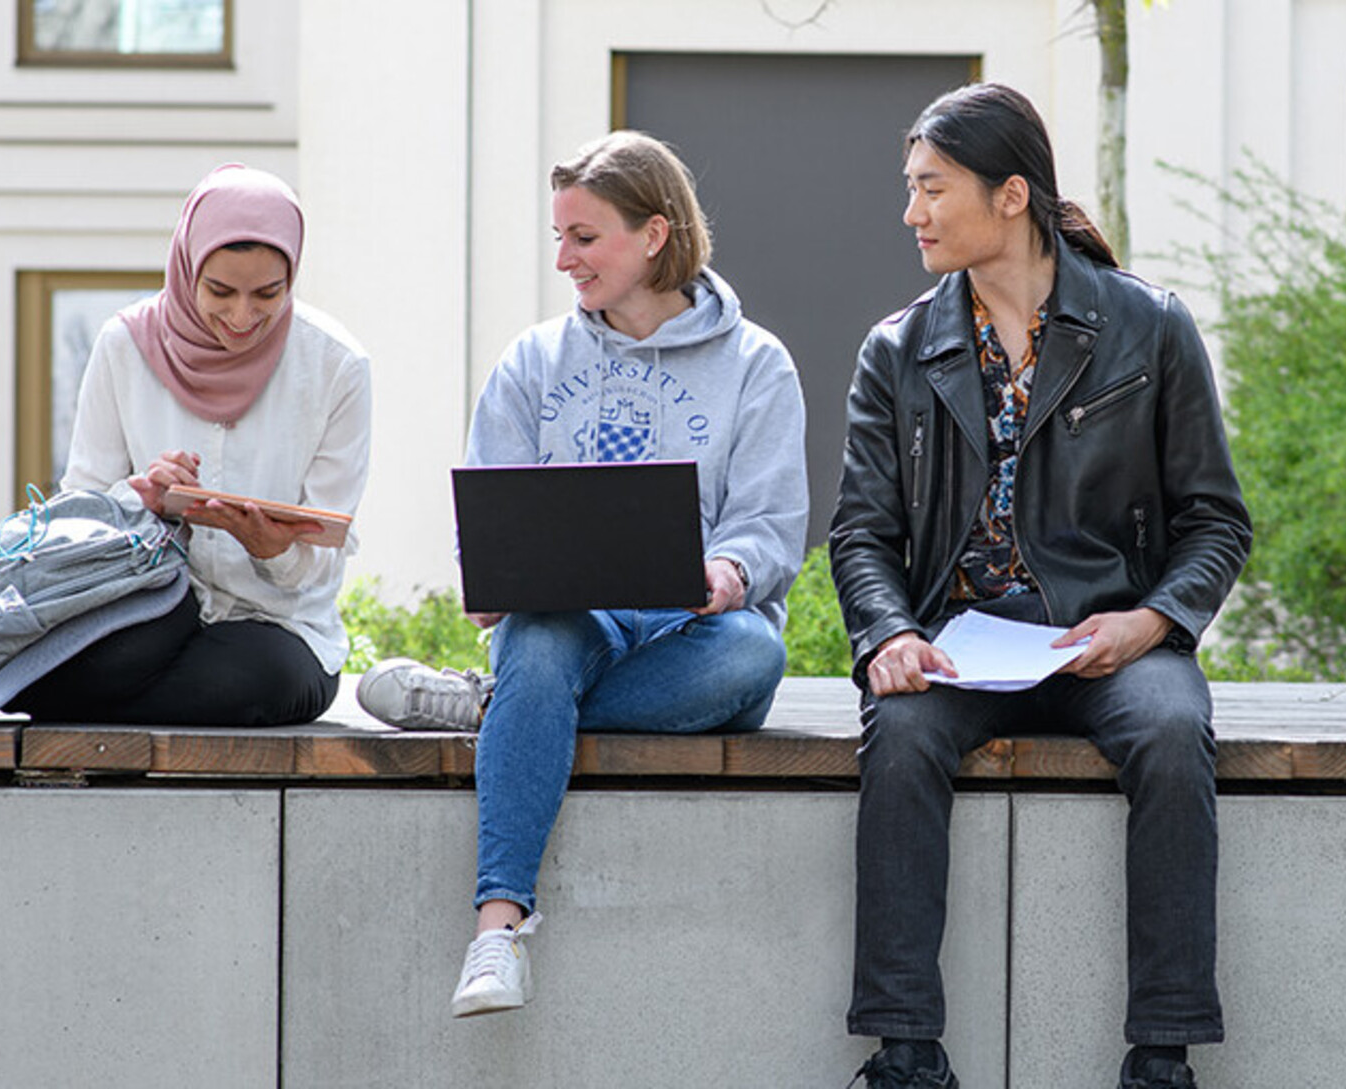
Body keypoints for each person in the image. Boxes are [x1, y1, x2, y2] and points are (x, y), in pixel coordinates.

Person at [832, 83, 1251, 1089]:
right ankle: (904, 1055)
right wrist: (890, 635)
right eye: (911, 190)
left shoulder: (1148, 328)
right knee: (896, 740)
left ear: (1010, 194)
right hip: (958, 645)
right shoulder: (897, 351)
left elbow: (1214, 520)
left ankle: (1162, 1056)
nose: (912, 213)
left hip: (1108, 640)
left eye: (932, 189)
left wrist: (1149, 622)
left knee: (1166, 733)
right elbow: (859, 533)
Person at [357, 131, 807, 1019]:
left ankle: (505, 708)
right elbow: (492, 516)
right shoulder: (533, 362)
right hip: (576, 622)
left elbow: (770, 528)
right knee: (539, 637)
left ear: (655, 234)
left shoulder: (757, 364)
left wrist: (722, 572)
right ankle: (497, 930)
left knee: (753, 654)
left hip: (692, 635)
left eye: (584, 237)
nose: (563, 259)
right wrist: (489, 580)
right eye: (558, 236)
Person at [0, 163, 370, 727]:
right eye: (220, 291)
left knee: (264, 684)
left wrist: (271, 549)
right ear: (186, 268)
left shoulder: (336, 367)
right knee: (128, 653)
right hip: (141, 598)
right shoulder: (126, 344)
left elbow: (323, 562)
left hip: (273, 625)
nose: (241, 316)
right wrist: (141, 497)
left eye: (268, 294)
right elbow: (79, 512)